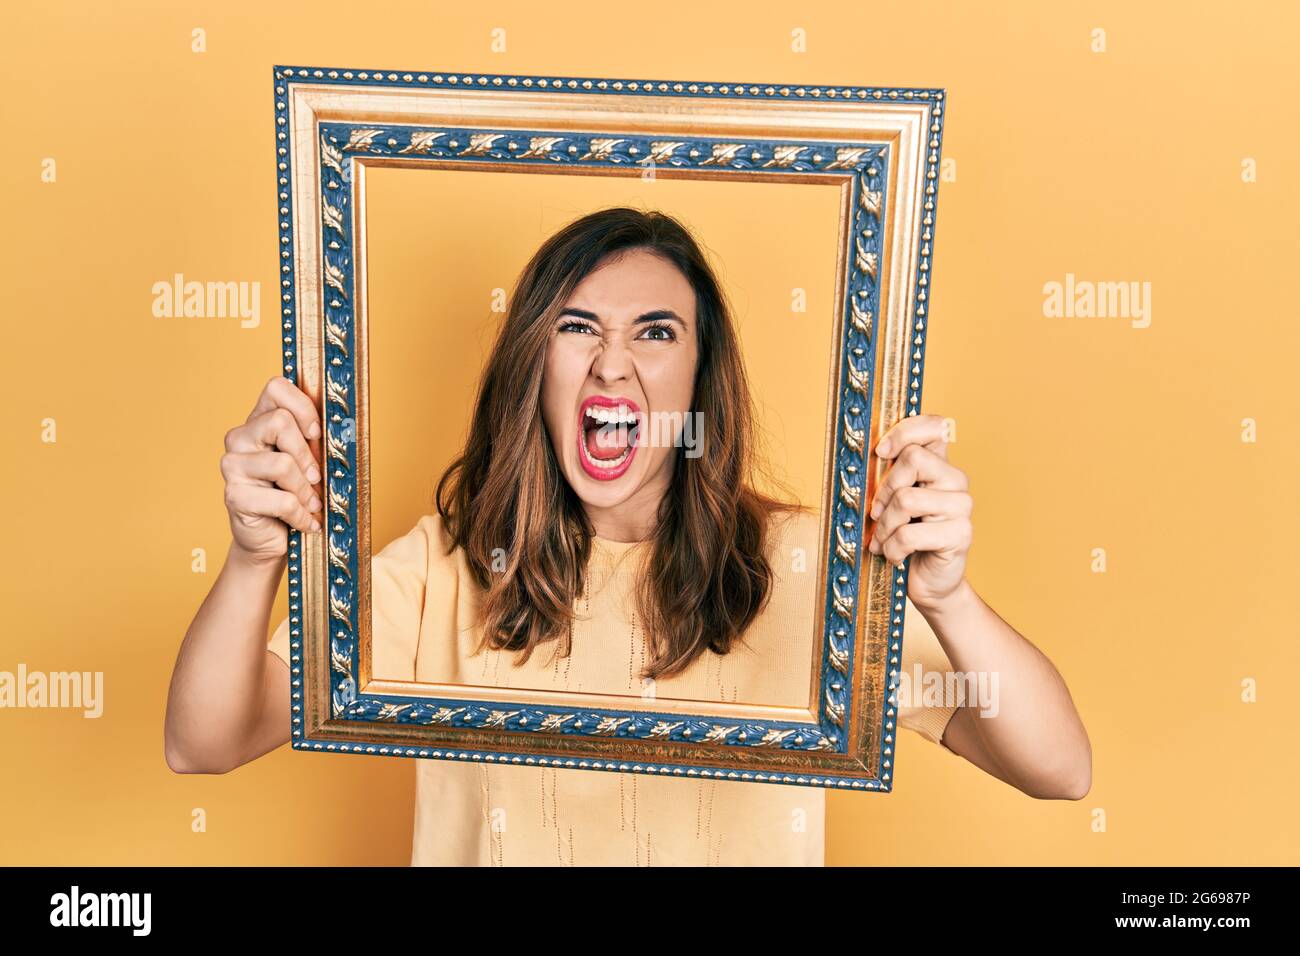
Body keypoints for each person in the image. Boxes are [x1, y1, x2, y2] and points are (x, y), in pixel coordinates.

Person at [164, 207, 1091, 866]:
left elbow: (1058, 768)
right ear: (537, 365)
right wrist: (255, 557)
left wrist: (947, 599)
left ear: (700, 375)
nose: (613, 362)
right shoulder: (445, 570)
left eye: (655, 331)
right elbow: (204, 741)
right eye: (578, 328)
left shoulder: (811, 572)